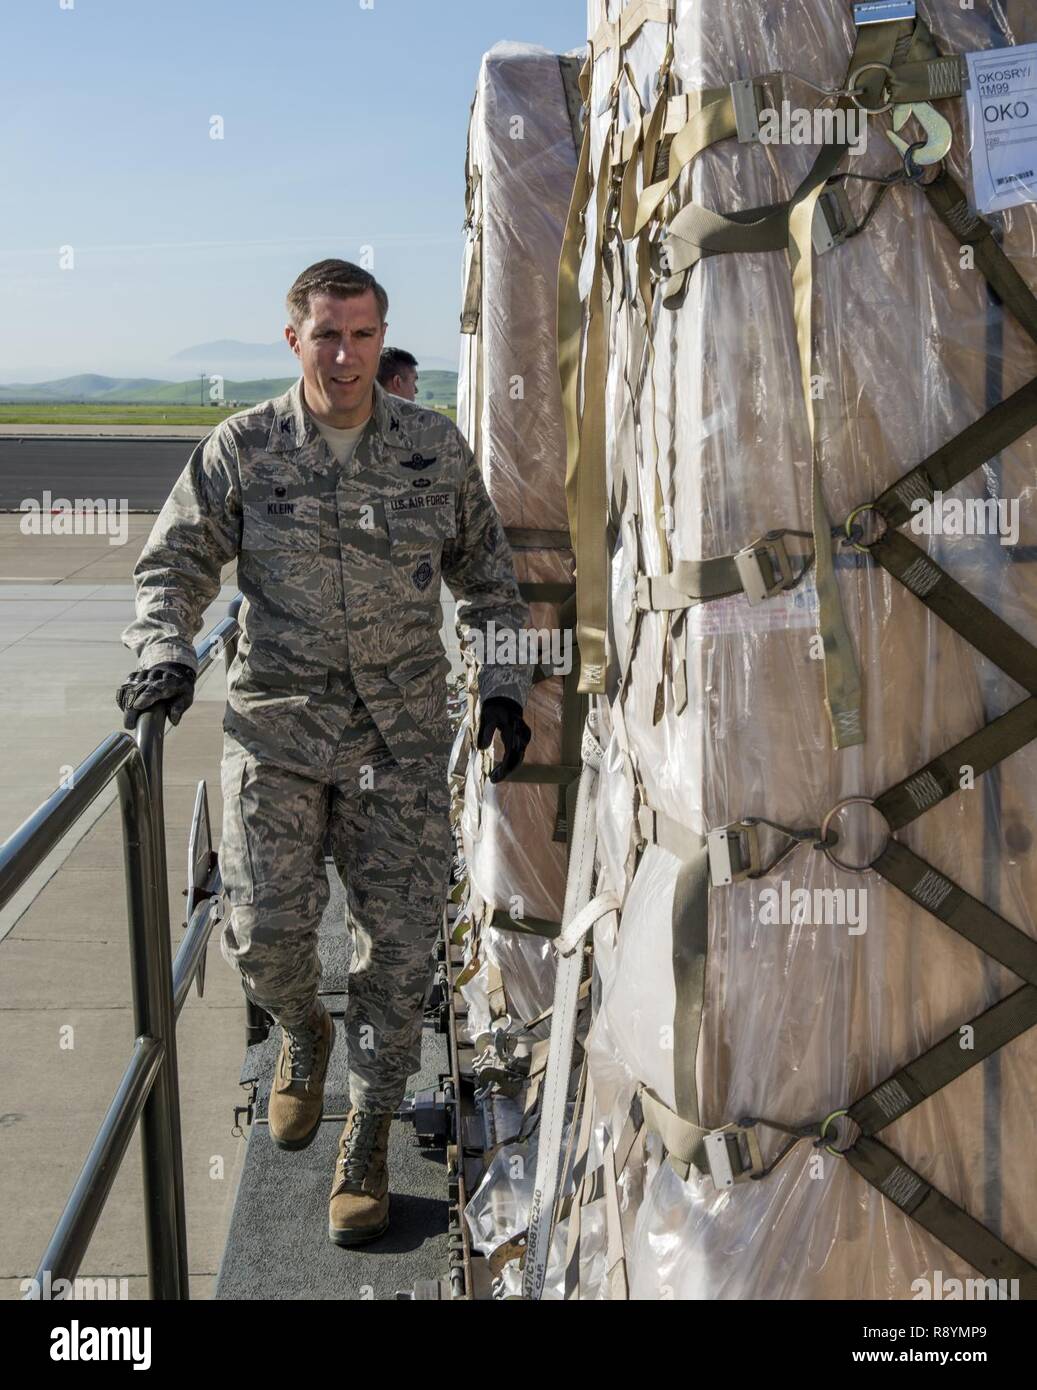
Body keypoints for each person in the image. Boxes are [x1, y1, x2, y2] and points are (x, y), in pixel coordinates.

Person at [116, 259, 532, 1246]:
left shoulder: (432, 450)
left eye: (361, 336)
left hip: (399, 739)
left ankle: (369, 1141)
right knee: (260, 931)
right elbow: (172, 563)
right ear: (293, 339)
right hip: (279, 732)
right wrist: (165, 651)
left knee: (395, 961)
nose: (345, 356)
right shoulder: (245, 449)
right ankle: (301, 1032)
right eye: (325, 335)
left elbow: (492, 584)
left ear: (381, 339)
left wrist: (505, 686)